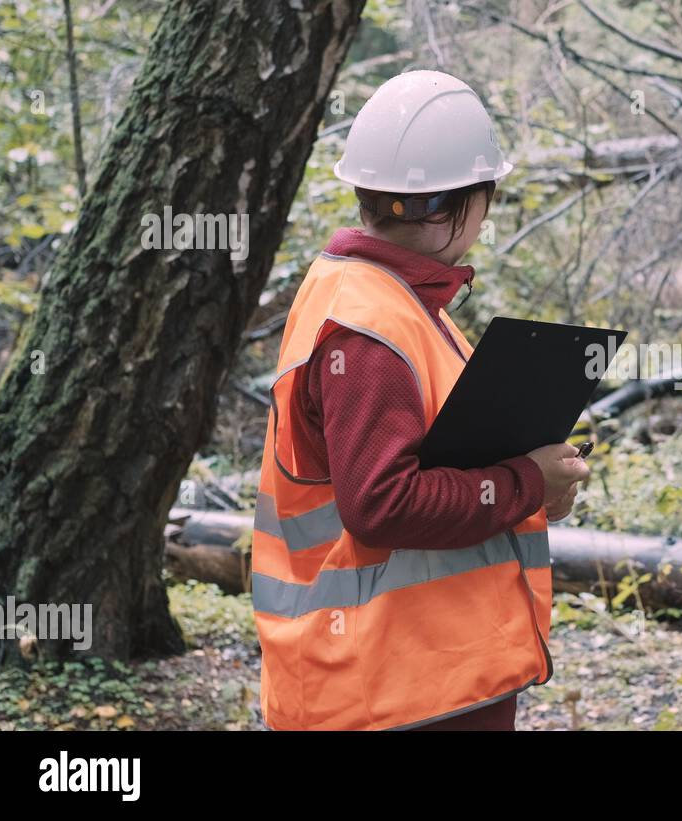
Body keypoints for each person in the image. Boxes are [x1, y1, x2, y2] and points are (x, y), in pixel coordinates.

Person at [250, 71, 589, 730]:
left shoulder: (381, 299)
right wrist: (525, 479)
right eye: (485, 197)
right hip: (396, 690)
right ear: (451, 209)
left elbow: (432, 461)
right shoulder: (371, 327)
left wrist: (532, 478)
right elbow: (382, 504)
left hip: (420, 674)